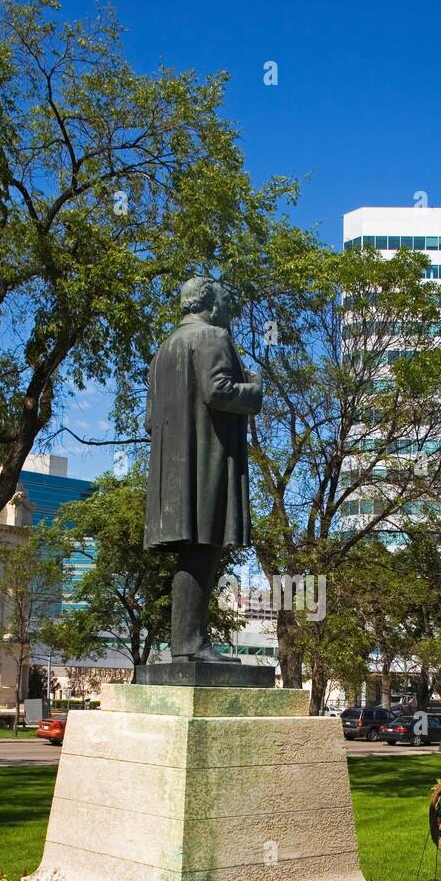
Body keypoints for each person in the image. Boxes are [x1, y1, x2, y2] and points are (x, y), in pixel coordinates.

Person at [144, 277, 262, 661]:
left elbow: (149, 421)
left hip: (172, 472)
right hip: (206, 458)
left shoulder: (163, 351)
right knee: (205, 545)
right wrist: (254, 390)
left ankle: (186, 645)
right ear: (210, 305)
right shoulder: (212, 335)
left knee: (193, 551)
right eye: (225, 303)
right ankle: (192, 644)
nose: (227, 311)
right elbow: (218, 390)